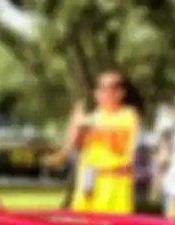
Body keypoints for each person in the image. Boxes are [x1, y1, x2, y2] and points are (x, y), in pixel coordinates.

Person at [54, 69, 143, 214]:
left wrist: (84, 122)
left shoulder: (128, 116)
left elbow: (112, 133)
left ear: (121, 93)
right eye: (100, 89)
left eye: (109, 89)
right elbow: (76, 145)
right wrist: (75, 125)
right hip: (90, 177)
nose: (103, 93)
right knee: (83, 222)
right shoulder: (93, 117)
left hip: (115, 181)